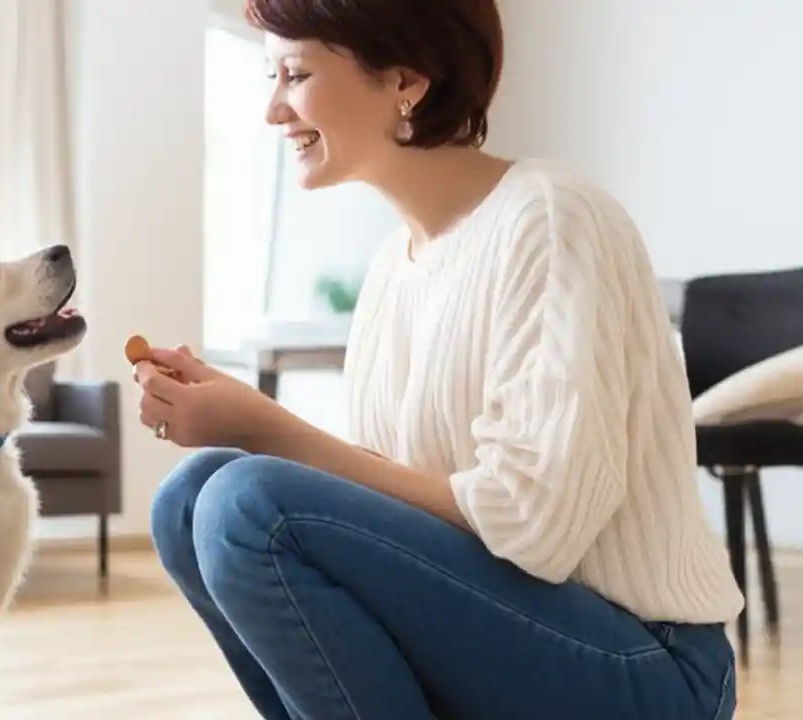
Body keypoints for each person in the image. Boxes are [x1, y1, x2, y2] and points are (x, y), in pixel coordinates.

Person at [131, 1, 744, 718]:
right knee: (189, 497)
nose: (273, 110)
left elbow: (535, 525)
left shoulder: (551, 218)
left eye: (294, 74)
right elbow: (390, 505)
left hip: (644, 665)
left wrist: (270, 431)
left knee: (246, 504)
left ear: (405, 80)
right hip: (515, 635)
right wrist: (247, 425)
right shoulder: (395, 267)